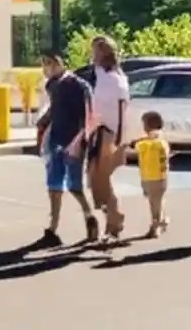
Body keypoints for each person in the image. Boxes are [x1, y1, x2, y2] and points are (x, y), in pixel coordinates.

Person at [35, 49, 99, 245]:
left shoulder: (75, 85)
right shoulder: (54, 85)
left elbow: (85, 116)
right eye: (44, 64)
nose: (45, 68)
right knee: (55, 185)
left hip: (72, 141)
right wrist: (43, 121)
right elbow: (55, 110)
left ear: (58, 63)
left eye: (48, 63)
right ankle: (52, 228)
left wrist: (79, 140)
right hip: (57, 139)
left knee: (72, 184)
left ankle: (89, 217)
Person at [88, 35, 130, 241]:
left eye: (96, 50)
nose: (92, 54)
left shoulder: (115, 79)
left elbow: (123, 108)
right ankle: (112, 218)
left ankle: (114, 221)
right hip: (97, 131)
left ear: (104, 53)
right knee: (94, 180)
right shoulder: (101, 75)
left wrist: (120, 139)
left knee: (102, 180)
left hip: (109, 133)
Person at [126, 111, 171, 238]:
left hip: (153, 175)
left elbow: (140, 147)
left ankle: (156, 225)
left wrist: (135, 143)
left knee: (153, 203)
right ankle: (161, 221)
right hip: (157, 175)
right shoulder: (160, 138)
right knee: (157, 201)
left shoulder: (150, 140)